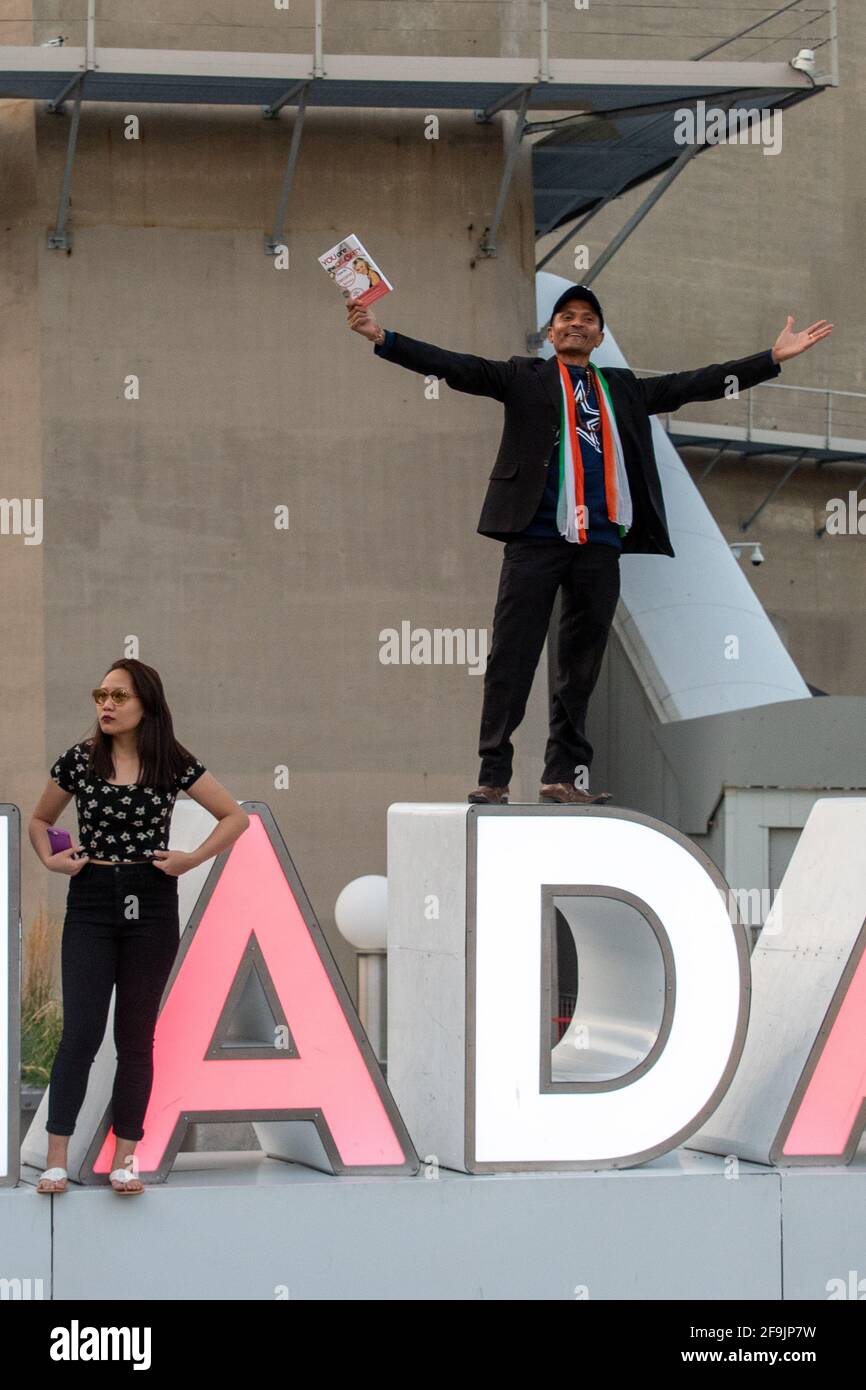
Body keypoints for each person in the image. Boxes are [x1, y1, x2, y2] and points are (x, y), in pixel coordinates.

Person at [347, 286, 832, 804]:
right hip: (535, 538)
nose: (577, 323)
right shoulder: (522, 376)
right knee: (512, 658)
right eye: (567, 316)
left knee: (580, 666)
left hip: (599, 543)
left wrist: (770, 358)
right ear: (551, 331)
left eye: (588, 319)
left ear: (599, 337)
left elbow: (696, 383)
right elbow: (453, 365)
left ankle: (563, 777)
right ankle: (493, 777)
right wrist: (382, 336)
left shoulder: (622, 388)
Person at [29, 657, 249, 1195]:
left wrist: (191, 859)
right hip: (91, 900)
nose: (106, 705)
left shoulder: (170, 760)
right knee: (81, 1032)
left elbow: (235, 817)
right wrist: (52, 860)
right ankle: (56, 1160)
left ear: (146, 704)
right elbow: (40, 820)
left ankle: (125, 1159)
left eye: (118, 696)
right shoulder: (80, 760)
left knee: (135, 1036)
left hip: (150, 902)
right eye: (100, 695)